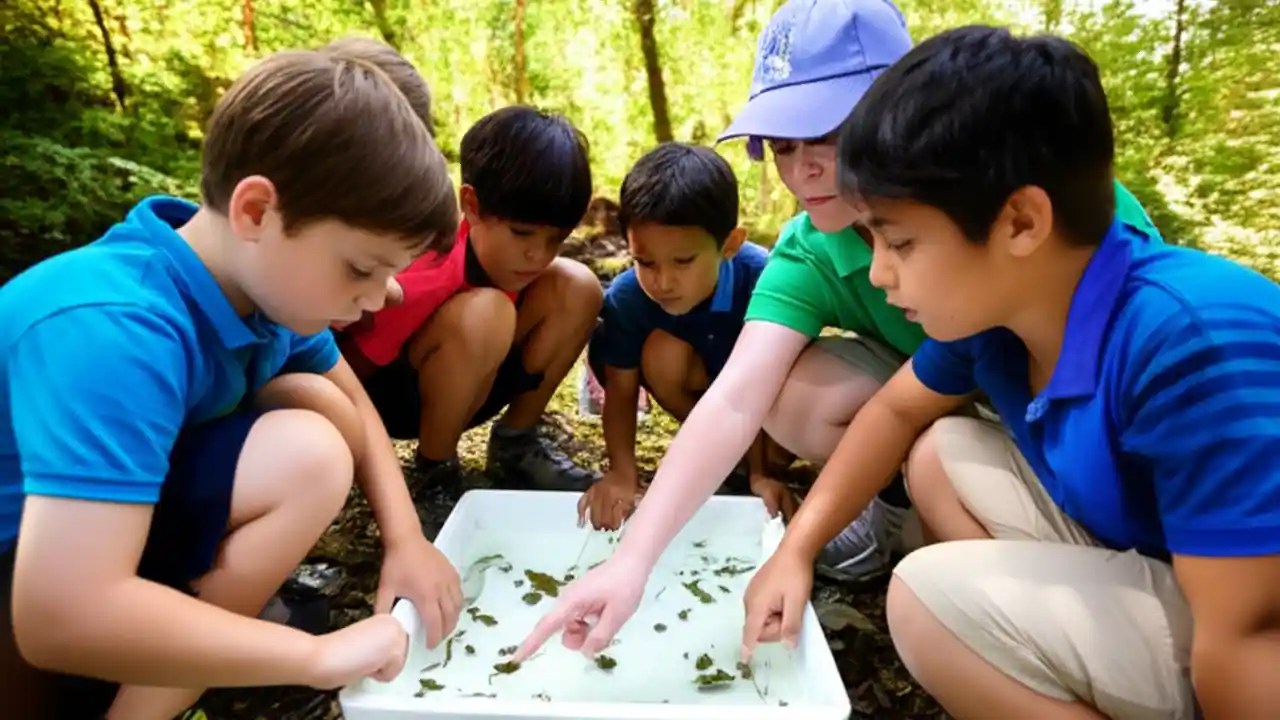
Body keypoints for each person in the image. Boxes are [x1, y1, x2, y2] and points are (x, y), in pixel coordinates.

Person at [514, 0, 1162, 663]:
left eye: (828, 136)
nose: (802, 172)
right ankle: (966, 577)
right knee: (884, 437)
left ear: (900, 113)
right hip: (961, 428)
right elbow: (738, 398)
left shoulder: (1029, 221)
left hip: (1081, 451)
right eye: (783, 147)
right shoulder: (807, 251)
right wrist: (634, 561)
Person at [742, 26, 1280, 720]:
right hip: (1176, 567)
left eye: (901, 241)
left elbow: (1250, 635)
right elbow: (893, 413)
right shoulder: (1001, 318)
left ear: (1021, 222)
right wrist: (798, 550)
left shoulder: (1190, 346)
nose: (878, 272)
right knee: (938, 453)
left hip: (1246, 623)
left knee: (927, 601)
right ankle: (1042, 655)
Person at [0, 44, 464, 719]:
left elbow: (354, 407)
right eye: (362, 268)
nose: (385, 296)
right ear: (255, 212)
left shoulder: (261, 289)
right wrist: (315, 657)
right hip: (29, 577)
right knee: (306, 443)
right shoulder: (115, 329)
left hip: (80, 545)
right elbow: (59, 617)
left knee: (313, 414)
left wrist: (406, 540)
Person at [337, 106, 604, 493]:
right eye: (522, 233)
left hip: (476, 380)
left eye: (555, 239)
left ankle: (516, 443)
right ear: (472, 207)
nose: (538, 255)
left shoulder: (522, 265)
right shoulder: (427, 264)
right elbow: (349, 369)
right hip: (391, 397)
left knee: (578, 284)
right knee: (488, 312)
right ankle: (436, 472)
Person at [578, 143, 780, 530]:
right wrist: (623, 474)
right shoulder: (628, 300)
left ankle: (752, 461)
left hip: (768, 406)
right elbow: (621, 393)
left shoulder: (762, 279)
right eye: (645, 262)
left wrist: (760, 476)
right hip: (705, 395)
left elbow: (761, 380)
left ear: (730, 245)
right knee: (660, 353)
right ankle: (718, 448)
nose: (664, 281)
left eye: (684, 261)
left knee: (785, 432)